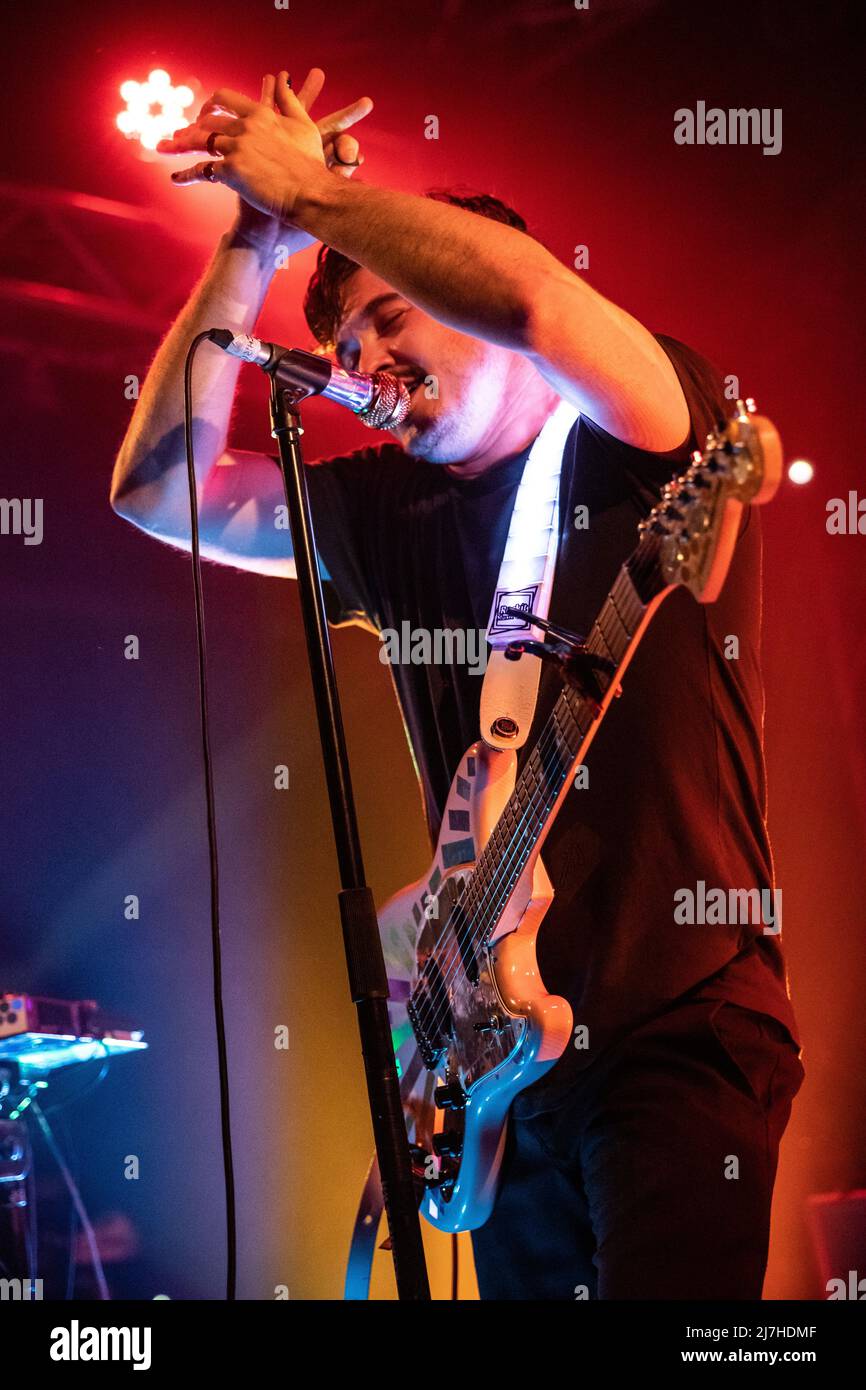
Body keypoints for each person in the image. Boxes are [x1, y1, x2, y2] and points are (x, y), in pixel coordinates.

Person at [111, 67, 804, 1300]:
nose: (361, 355)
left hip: (676, 1024)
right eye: (341, 344)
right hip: (495, 1066)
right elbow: (161, 495)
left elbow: (540, 307)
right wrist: (249, 240)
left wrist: (316, 193)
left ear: (462, 285)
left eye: (390, 314)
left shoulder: (639, 423)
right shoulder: (387, 509)